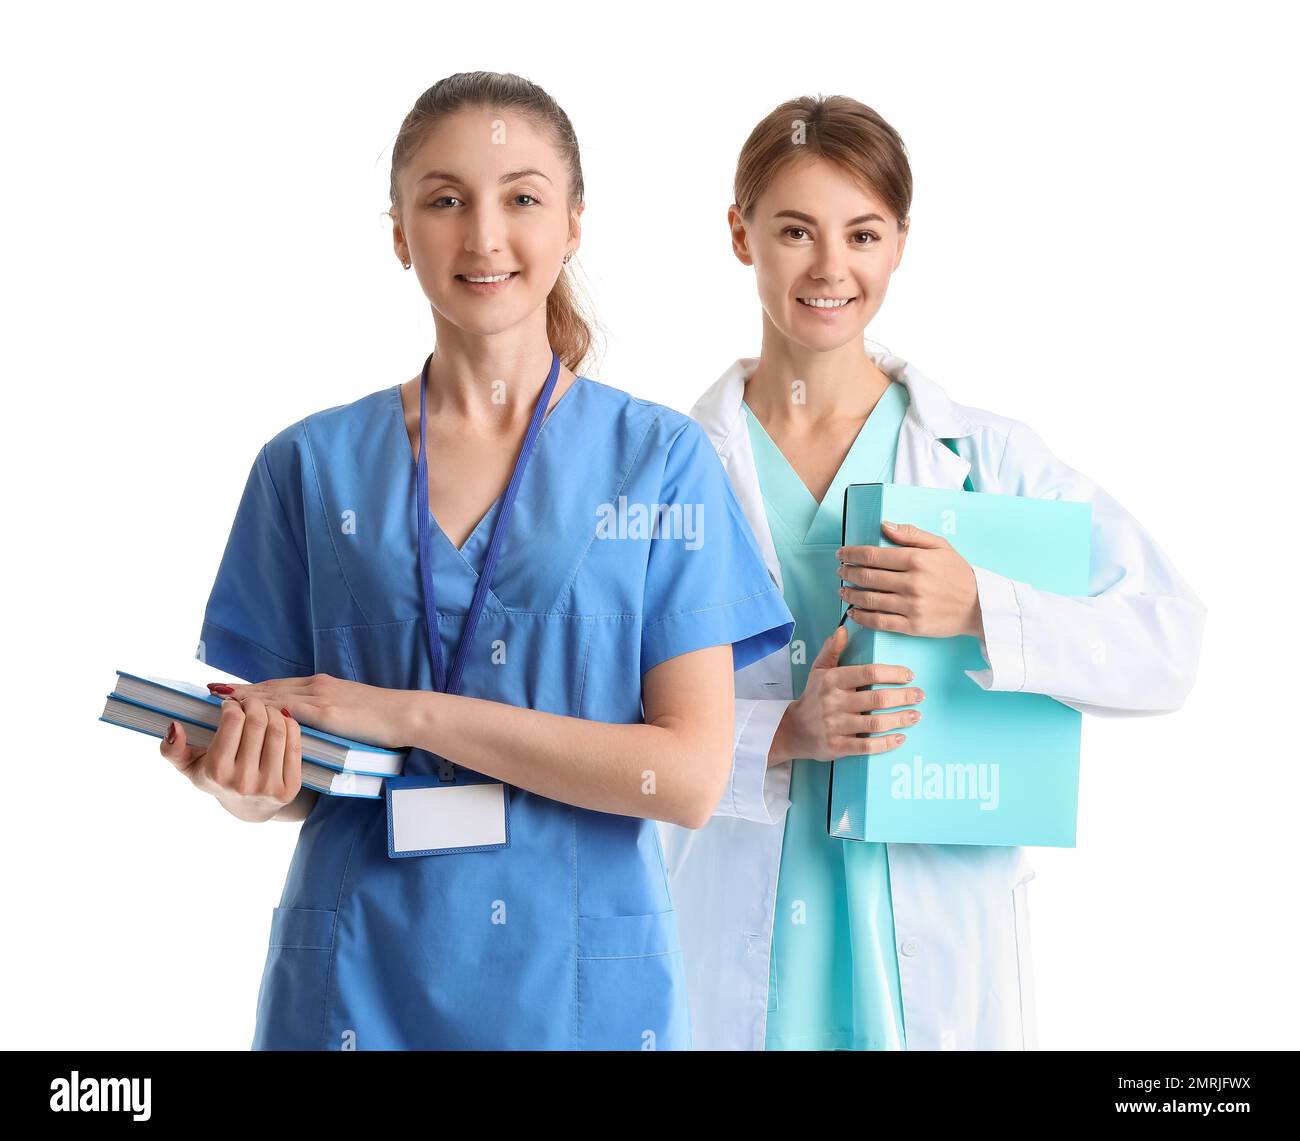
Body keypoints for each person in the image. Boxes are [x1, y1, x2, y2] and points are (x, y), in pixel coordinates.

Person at [158, 71, 793, 1051]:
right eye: (444, 199)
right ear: (401, 231)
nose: (484, 235)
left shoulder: (662, 463)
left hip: (577, 985)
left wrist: (405, 711)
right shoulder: (307, 466)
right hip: (355, 976)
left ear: (574, 223)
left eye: (522, 198)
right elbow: (290, 777)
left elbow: (691, 778)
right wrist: (243, 782)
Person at [661, 95, 1207, 1050]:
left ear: (901, 243)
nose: (832, 268)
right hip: (738, 913)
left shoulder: (986, 458)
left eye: (863, 233)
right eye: (796, 230)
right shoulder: (665, 464)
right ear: (741, 236)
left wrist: (984, 609)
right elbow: (591, 712)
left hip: (934, 927)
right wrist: (776, 734)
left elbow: (1169, 641)